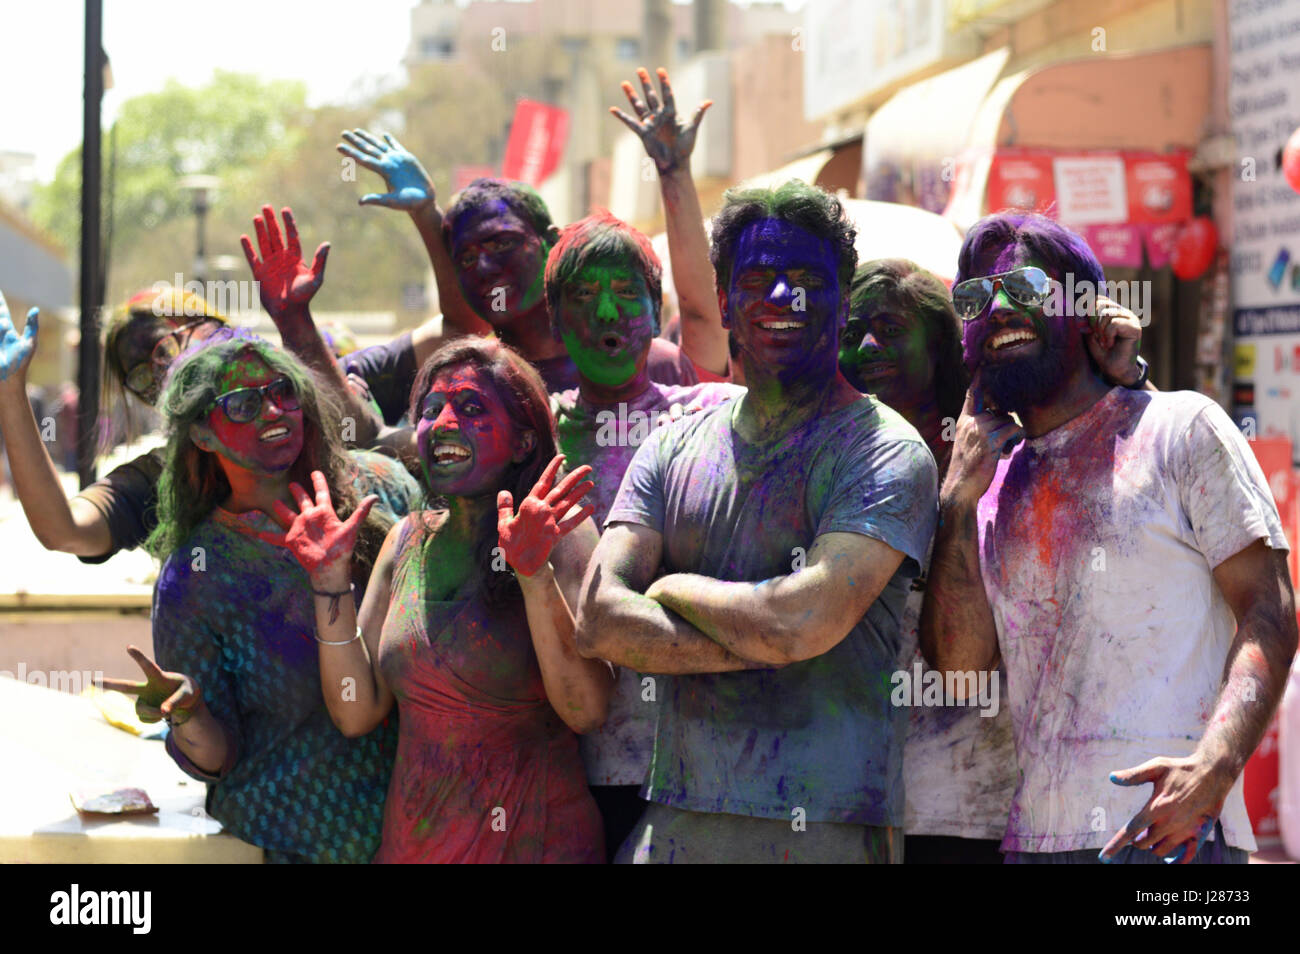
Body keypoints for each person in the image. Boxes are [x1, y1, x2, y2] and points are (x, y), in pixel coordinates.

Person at [576, 180, 938, 863]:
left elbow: (802, 620)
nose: (781, 298)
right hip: (676, 820)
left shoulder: (884, 450)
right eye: (757, 279)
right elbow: (598, 618)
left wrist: (671, 588)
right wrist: (774, 639)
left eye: (805, 278)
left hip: (823, 829)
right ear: (723, 299)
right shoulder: (672, 444)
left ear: (843, 297)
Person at [920, 211, 1298, 864]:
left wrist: (1212, 770)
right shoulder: (990, 483)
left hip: (1177, 837)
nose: (1000, 310)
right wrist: (954, 507)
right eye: (978, 298)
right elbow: (958, 672)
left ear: (1085, 310)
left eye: (1027, 289)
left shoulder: (1182, 428)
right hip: (1036, 846)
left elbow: (1272, 610)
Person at [271, 337, 610, 863]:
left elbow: (586, 709)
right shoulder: (405, 540)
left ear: (523, 442)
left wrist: (532, 573)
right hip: (418, 843)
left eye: (472, 408)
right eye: (431, 409)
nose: (444, 422)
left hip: (533, 842)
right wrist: (328, 581)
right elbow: (356, 712)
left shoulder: (560, 532)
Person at [100, 332, 421, 863]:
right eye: (244, 403)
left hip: (426, 827)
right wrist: (189, 715)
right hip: (301, 843)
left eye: (283, 391)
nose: (273, 409)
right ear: (202, 432)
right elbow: (215, 758)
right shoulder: (198, 576)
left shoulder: (381, 489)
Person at [545, 208, 744, 858]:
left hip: (706, 755)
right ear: (554, 320)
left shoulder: (710, 416)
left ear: (655, 310)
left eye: (626, 292)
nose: (606, 313)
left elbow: (707, 314)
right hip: (583, 763)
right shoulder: (530, 430)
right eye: (583, 295)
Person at [336, 129, 701, 423]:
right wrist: (424, 213)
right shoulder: (470, 377)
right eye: (465, 259)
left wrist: (675, 174)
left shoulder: (651, 361)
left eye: (502, 244)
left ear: (551, 243)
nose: (483, 268)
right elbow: (320, 384)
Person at [0, 285, 225, 562]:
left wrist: (295, 332)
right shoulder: (167, 477)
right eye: (142, 377)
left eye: (166, 350)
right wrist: (11, 390)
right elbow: (63, 530)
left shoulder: (286, 420)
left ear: (216, 329)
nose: (163, 379)